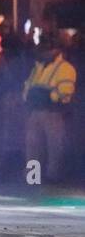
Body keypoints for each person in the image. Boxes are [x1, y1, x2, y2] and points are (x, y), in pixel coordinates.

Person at [22, 39, 77, 184]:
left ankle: (53, 177)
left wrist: (49, 97)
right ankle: (33, 178)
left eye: (47, 49)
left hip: (53, 112)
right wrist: (28, 99)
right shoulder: (38, 67)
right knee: (33, 146)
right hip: (36, 111)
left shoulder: (65, 68)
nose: (44, 52)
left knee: (55, 147)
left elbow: (66, 92)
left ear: (57, 50)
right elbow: (28, 85)